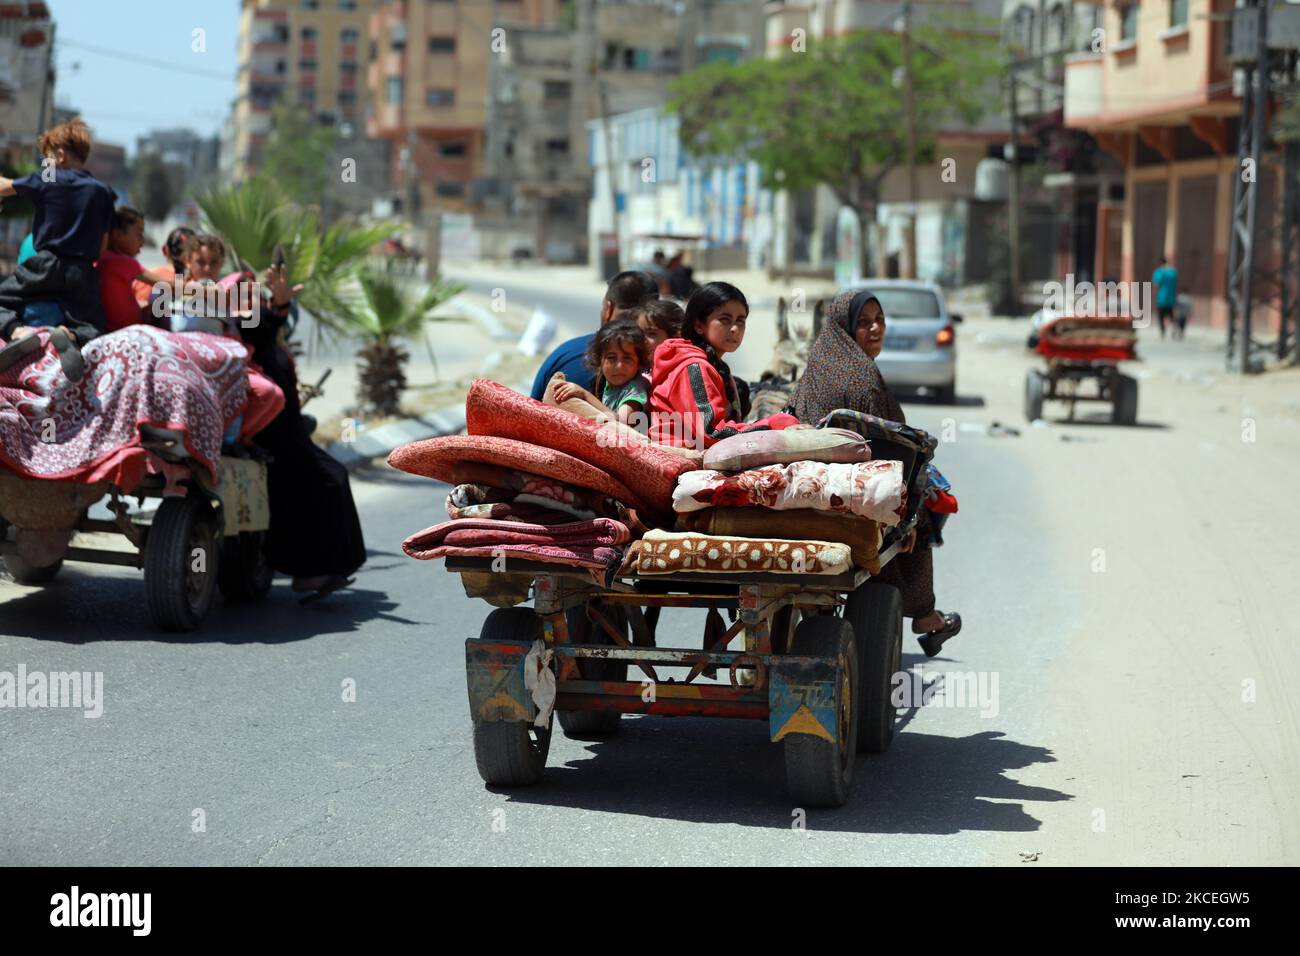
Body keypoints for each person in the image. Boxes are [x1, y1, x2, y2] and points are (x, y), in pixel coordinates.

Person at [794, 289, 961, 648]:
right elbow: (889, 449)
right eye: (864, 322)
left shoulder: (817, 366)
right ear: (845, 328)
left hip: (810, 478)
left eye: (879, 320)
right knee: (922, 511)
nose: (875, 329)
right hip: (856, 486)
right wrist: (904, 516)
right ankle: (923, 613)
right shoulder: (864, 379)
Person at [237, 261, 366, 598]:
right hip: (273, 436)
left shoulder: (272, 343)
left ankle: (329, 567)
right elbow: (260, 327)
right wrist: (277, 306)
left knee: (334, 475)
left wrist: (278, 306)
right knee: (328, 478)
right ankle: (309, 572)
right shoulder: (249, 334)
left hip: (290, 433)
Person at [0, 117, 117, 382]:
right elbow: (103, 245)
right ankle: (70, 335)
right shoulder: (102, 192)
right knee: (93, 325)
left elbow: (5, 187)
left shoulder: (47, 178)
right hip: (82, 270)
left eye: (47, 156)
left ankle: (18, 332)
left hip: (44, 264)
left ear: (60, 155)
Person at [648, 281, 798, 449]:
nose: (735, 328)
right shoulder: (694, 367)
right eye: (725, 320)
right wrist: (774, 423)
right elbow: (712, 432)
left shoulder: (714, 365)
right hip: (682, 454)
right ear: (698, 325)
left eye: (740, 321)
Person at [528, 270, 659, 401]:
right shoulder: (663, 368)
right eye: (612, 358)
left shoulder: (565, 355)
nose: (619, 366)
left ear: (609, 309)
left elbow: (530, 412)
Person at [553, 317, 652, 431]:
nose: (619, 366)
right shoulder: (612, 383)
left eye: (627, 358)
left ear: (639, 362)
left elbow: (620, 424)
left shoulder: (636, 390)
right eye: (611, 358)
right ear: (600, 360)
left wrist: (585, 395)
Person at [96, 206, 172, 332]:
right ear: (118, 235)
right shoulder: (123, 262)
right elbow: (169, 285)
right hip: (124, 332)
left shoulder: (102, 258)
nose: (142, 242)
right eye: (139, 234)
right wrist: (206, 290)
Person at [1152, 256, 1179, 339]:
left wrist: (1154, 296)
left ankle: (1163, 332)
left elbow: (1156, 285)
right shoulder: (1173, 272)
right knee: (1171, 315)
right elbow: (1176, 285)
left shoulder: (1159, 272)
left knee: (1161, 316)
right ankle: (1174, 328)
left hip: (1161, 298)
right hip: (1171, 298)